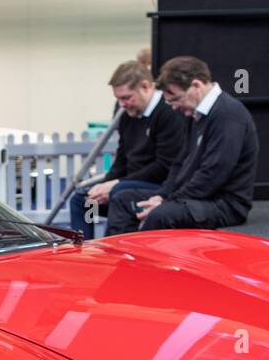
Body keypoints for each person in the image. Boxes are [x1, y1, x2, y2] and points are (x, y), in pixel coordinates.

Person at [108, 55, 259, 234]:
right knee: (123, 199)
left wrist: (168, 201)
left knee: (160, 215)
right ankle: (121, 259)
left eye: (176, 99)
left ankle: (144, 260)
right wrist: (162, 194)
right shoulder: (194, 115)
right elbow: (179, 164)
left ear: (196, 86)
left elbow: (213, 174)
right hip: (197, 198)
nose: (174, 107)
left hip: (225, 204)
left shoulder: (228, 114)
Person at [69, 60, 185, 239]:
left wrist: (116, 184)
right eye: (118, 99)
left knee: (119, 193)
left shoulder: (168, 113)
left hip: (156, 186)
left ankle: (116, 249)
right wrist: (103, 186)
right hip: (127, 182)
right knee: (84, 201)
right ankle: (85, 245)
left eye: (126, 97)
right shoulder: (126, 114)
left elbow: (164, 166)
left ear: (145, 87)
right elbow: (122, 158)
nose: (122, 104)